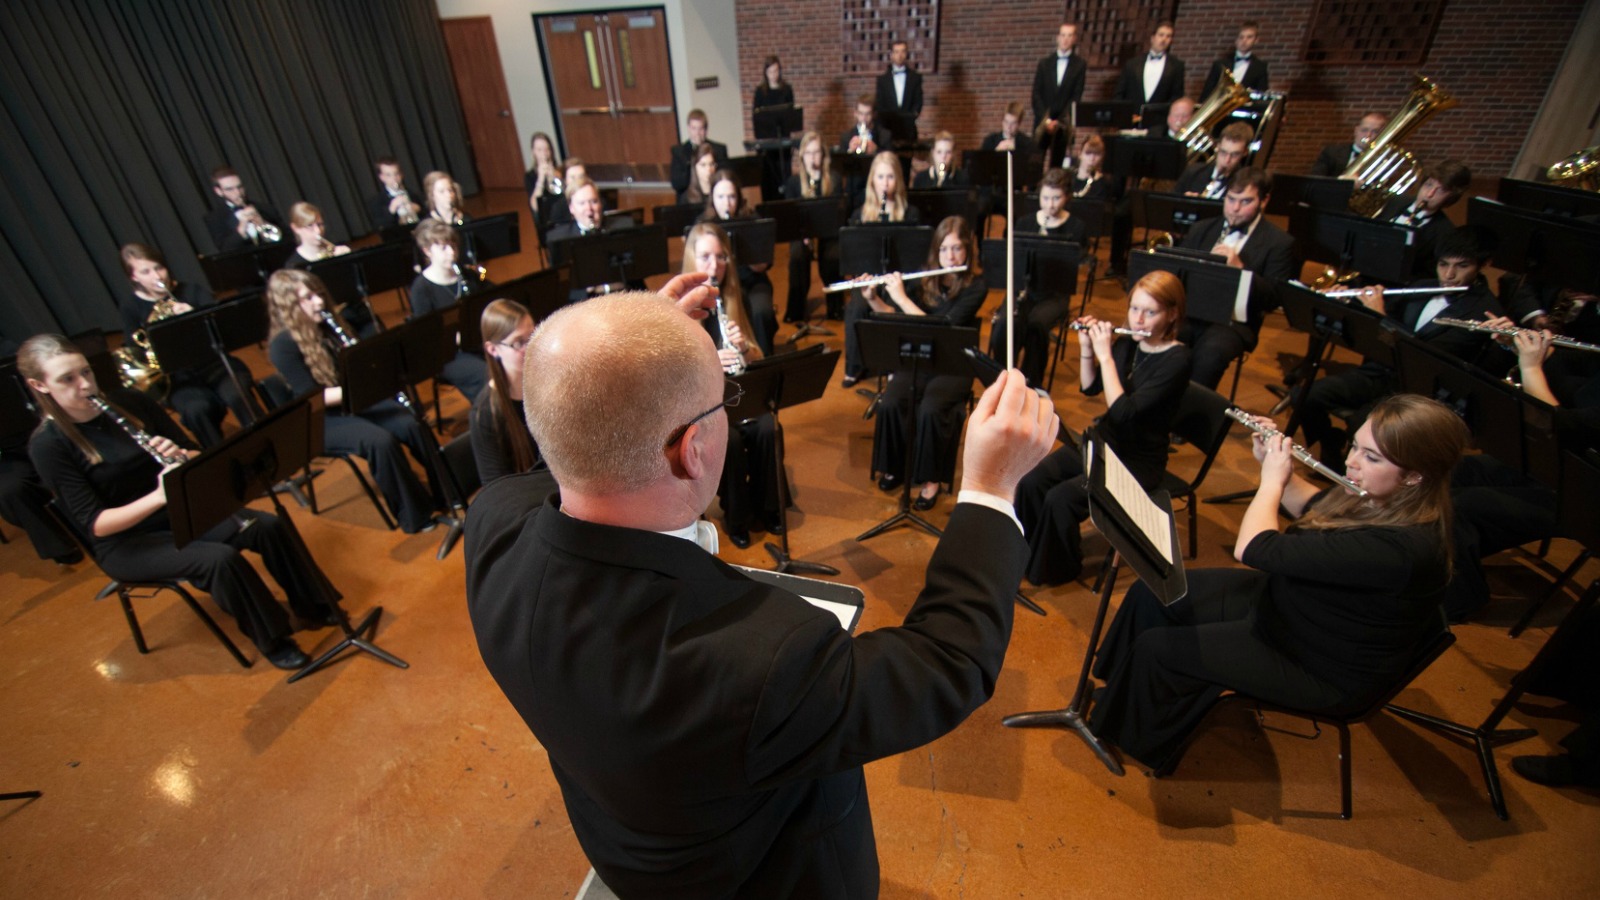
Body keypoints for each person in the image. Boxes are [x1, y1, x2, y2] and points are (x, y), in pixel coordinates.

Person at [463, 284, 1058, 898]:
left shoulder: (492, 528)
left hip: (628, 849)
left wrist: (633, 357)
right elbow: (947, 663)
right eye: (723, 404)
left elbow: (580, 435)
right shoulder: (758, 665)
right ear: (692, 452)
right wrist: (990, 488)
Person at [1087, 394, 1469, 776]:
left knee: (1160, 649)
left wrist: (1270, 481)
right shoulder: (1386, 498)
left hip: (1316, 663)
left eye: (1372, 457)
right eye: (1355, 445)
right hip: (1292, 608)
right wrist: (1267, 462)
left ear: (1416, 475)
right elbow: (1314, 504)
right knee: (1152, 591)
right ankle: (1118, 688)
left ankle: (1123, 730)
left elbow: (1253, 547)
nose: (1351, 461)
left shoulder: (1404, 549)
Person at [21, 333, 345, 670]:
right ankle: (274, 640)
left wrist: (180, 456)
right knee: (219, 559)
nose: (85, 385)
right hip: (126, 541)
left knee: (268, 525)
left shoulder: (131, 402)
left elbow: (196, 453)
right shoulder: (49, 445)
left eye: (85, 372)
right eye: (67, 380)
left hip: (177, 511)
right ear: (40, 386)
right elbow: (96, 525)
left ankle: (314, 603)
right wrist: (158, 496)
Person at [1016, 270, 1192, 586]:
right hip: (1103, 443)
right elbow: (1090, 387)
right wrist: (1087, 347)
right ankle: (1026, 551)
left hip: (1137, 461)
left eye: (1150, 312)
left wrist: (1105, 355)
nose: (1138, 319)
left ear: (1172, 314)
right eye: (1134, 309)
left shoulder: (1177, 360)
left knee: (1061, 499)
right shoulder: (1130, 343)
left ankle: (1056, 567)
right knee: (1031, 480)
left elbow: (1123, 411)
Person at [1297, 228, 1504, 470]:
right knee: (1304, 397)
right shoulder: (1422, 286)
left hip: (1419, 391)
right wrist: (1350, 302)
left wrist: (1380, 315)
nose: (1449, 275)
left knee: (1362, 424)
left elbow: (1421, 356)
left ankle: (1355, 479)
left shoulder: (1486, 312)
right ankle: (1331, 444)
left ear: (1483, 265)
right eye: (1443, 264)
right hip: (1381, 374)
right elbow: (1380, 320)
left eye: (1462, 266)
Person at [265, 269, 439, 534]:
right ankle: (415, 514)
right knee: (379, 441)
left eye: (318, 294)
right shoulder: (283, 345)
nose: (319, 303)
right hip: (319, 419)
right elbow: (311, 397)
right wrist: (362, 386)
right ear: (288, 307)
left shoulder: (328, 325)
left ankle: (447, 489)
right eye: (307, 298)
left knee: (410, 422)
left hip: (352, 399)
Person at [866, 217, 988, 509]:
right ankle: (896, 467)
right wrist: (873, 299)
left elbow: (943, 328)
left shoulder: (976, 286)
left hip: (955, 361)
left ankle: (931, 479)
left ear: (968, 251)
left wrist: (901, 297)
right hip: (921, 356)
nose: (951, 256)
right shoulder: (925, 278)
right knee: (892, 400)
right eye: (945, 249)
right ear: (937, 251)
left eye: (958, 249)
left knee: (932, 408)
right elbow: (898, 317)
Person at [683, 222, 782, 547]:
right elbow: (677, 376)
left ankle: (770, 508)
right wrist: (711, 360)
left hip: (739, 392)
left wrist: (743, 348)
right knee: (732, 442)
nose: (715, 265)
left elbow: (758, 355)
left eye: (721, 257)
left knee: (768, 427)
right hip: (704, 403)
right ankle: (737, 515)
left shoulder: (736, 300)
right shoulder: (682, 311)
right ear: (692, 261)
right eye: (706, 257)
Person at [117, 243, 256, 448]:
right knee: (196, 409)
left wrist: (194, 316)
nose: (157, 276)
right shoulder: (131, 307)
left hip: (214, 365)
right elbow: (135, 350)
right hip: (177, 379)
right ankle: (221, 458)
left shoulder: (191, 291)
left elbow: (223, 328)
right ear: (134, 277)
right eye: (146, 272)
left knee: (237, 393)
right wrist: (156, 332)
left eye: (159, 268)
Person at [1176, 167, 1297, 390]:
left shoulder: (1279, 243)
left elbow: (1274, 298)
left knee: (1210, 354)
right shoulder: (1201, 229)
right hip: (1192, 311)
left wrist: (1241, 270)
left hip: (1234, 322)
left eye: (1246, 201)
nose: (1235, 208)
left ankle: (1187, 414)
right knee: (1155, 335)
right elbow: (1177, 273)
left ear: (1264, 200)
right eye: (1231, 199)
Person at [987, 168, 1084, 386]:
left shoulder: (1076, 227)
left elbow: (1070, 269)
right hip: (1023, 289)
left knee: (1037, 325)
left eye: (1057, 198)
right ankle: (1001, 376)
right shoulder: (1025, 223)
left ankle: (1030, 382)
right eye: (1046, 197)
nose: (1050, 204)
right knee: (1006, 323)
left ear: (1066, 197)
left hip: (1054, 294)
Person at [842, 152, 921, 387]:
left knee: (897, 305)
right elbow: (852, 257)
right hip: (870, 278)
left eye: (890, 177)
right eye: (880, 177)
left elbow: (915, 255)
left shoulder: (910, 214)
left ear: (897, 180)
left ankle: (894, 365)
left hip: (899, 278)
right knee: (855, 307)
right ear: (872, 181)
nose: (885, 183)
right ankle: (854, 366)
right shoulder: (860, 214)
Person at [696, 170, 779, 356]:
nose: (727, 203)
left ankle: (764, 358)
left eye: (732, 196)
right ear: (712, 198)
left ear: (739, 197)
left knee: (762, 311)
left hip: (751, 280)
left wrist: (750, 257)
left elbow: (763, 265)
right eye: (721, 197)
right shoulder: (704, 224)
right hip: (723, 285)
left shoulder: (753, 220)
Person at [407, 220, 489, 403]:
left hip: (478, 341)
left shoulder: (466, 275)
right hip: (448, 354)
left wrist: (483, 273)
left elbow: (491, 296)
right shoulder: (421, 288)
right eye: (444, 248)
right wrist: (458, 337)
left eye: (453, 246)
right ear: (428, 251)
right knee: (486, 376)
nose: (452, 253)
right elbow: (427, 334)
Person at [470, 298, 542, 485]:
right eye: (519, 342)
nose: (531, 347)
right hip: (528, 499)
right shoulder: (485, 413)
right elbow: (497, 489)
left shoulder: (546, 384)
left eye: (533, 335)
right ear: (493, 349)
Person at [781, 130, 844, 323]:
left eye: (816, 152)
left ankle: (836, 308)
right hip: (803, 234)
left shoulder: (833, 179)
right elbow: (791, 216)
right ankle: (796, 310)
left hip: (828, 233)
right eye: (808, 153)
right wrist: (803, 234)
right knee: (798, 255)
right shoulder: (793, 183)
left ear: (823, 155)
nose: (813, 158)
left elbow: (837, 213)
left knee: (832, 255)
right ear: (802, 156)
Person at [546, 177, 638, 302]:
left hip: (623, 296)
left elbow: (637, 270)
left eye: (593, 201)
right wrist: (588, 289)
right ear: (571, 208)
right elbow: (561, 285)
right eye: (582, 203)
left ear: (601, 203)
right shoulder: (558, 238)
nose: (589, 209)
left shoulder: (624, 226)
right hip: (585, 302)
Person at [1377, 159, 1471, 281]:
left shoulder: (1445, 232)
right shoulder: (1395, 201)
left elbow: (1426, 274)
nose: (1429, 194)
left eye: (1441, 190)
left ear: (1450, 198)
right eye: (1429, 184)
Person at [1031, 23, 1087, 170]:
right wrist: (1047, 120)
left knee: (1057, 165)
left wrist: (1060, 120)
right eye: (1063, 35)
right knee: (1035, 161)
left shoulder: (1079, 65)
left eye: (1069, 35)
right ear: (1057, 38)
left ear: (1074, 39)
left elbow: (1076, 96)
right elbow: (1036, 93)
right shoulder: (1044, 63)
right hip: (1043, 120)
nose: (1065, 39)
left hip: (1062, 124)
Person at [204, 167, 284, 252]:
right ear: (219, 191)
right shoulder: (214, 218)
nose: (238, 193)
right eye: (230, 189)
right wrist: (242, 226)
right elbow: (225, 249)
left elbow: (286, 238)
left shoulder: (265, 208)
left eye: (239, 187)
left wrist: (263, 223)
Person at [1114, 21, 1186, 107]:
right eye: (1161, 35)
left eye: (1168, 36)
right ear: (1152, 38)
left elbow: (1176, 96)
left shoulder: (1176, 66)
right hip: (1132, 115)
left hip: (1158, 117)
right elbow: (1119, 93)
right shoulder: (1132, 64)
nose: (1164, 39)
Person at [1173, 122, 1253, 199]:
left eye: (1234, 155)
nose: (1227, 160)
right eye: (1223, 152)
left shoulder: (1245, 184)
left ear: (1245, 152)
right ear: (1218, 146)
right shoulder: (1193, 172)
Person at [668, 109, 729, 199]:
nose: (697, 133)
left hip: (714, 196)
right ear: (688, 128)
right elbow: (677, 184)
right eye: (694, 128)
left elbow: (724, 177)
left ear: (706, 129)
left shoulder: (719, 150)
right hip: (689, 199)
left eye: (701, 128)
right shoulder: (679, 152)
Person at [1201, 21, 1269, 96]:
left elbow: (1261, 94)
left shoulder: (1260, 67)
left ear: (1256, 40)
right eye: (1241, 37)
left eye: (1249, 37)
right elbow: (1207, 92)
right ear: (1236, 40)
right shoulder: (1220, 64)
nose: (1244, 41)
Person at [875, 40, 923, 146]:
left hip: (909, 129)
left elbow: (918, 102)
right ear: (891, 55)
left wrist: (911, 117)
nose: (899, 55)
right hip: (888, 129)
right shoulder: (882, 80)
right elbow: (880, 104)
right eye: (896, 52)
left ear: (906, 54)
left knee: (907, 161)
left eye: (902, 52)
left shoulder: (915, 78)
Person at [1310, 112, 1388, 177]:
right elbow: (1316, 179)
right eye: (1364, 130)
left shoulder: (1385, 157)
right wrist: (1344, 182)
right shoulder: (1332, 153)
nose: (1368, 135)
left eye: (1375, 131)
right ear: (1356, 131)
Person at [281, 202, 352, 269]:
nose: (318, 231)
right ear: (296, 228)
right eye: (310, 225)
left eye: (320, 224)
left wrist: (347, 258)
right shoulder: (293, 266)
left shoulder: (336, 250)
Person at [523, 132, 563, 238]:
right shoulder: (530, 176)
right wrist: (541, 179)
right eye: (539, 150)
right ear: (533, 152)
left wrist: (553, 178)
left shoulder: (560, 172)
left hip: (562, 216)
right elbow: (535, 207)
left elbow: (562, 198)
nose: (544, 154)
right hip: (546, 222)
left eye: (547, 149)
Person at [367, 157, 422, 231]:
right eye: (388, 175)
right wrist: (391, 209)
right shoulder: (376, 201)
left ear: (401, 174)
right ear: (382, 177)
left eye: (396, 174)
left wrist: (418, 209)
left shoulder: (413, 194)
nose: (394, 178)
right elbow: (379, 226)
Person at [1072, 134, 1113, 200]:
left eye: (1097, 154)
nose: (1092, 158)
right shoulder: (1068, 178)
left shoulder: (1104, 184)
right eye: (1088, 153)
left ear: (1102, 156)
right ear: (1080, 154)